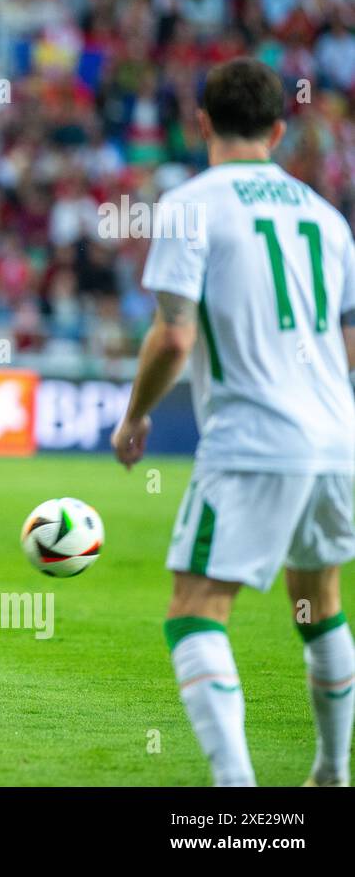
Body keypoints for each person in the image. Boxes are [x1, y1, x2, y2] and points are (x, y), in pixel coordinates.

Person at [112, 58, 355, 786]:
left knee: (195, 610)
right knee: (319, 604)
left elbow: (174, 336)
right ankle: (331, 772)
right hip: (336, 436)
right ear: (278, 131)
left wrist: (135, 416)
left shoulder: (190, 204)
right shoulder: (327, 217)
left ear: (201, 124)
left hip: (253, 437)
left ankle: (237, 798)